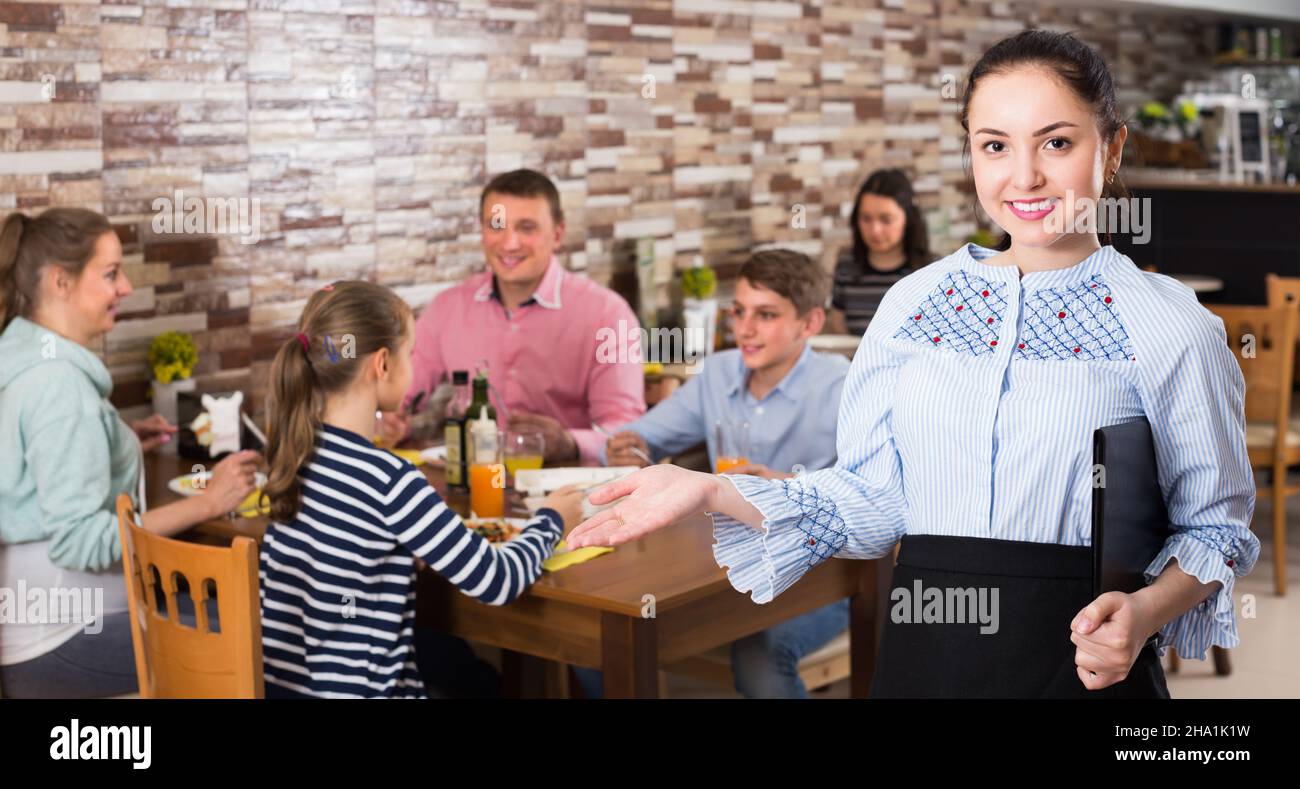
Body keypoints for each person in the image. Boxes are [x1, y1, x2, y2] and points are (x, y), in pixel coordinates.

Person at [566, 30, 1258, 698]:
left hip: (1085, 661)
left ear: (1111, 149)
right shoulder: (912, 306)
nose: (1025, 175)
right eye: (994, 145)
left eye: (1057, 141)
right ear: (971, 154)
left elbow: (1215, 532)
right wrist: (709, 490)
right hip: (926, 650)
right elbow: (869, 498)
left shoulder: (1173, 326)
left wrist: (1143, 614)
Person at [258, 280, 584, 698]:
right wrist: (553, 519)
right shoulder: (389, 478)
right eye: (409, 353)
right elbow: (497, 579)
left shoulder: (294, 456)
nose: (413, 365)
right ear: (382, 365)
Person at [0, 208, 259, 698]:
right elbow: (80, 543)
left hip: (33, 629)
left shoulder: (24, 362)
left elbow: (32, 468)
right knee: (259, 644)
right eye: (111, 273)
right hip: (64, 637)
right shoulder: (57, 386)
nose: (127, 288)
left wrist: (110, 437)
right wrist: (210, 500)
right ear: (60, 281)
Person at [589, 250, 850, 699]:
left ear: (809, 324)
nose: (744, 329)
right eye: (739, 312)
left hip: (825, 574)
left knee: (761, 659)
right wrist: (628, 447)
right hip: (718, 570)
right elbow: (643, 436)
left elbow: (875, 492)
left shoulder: (842, 386)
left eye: (765, 315)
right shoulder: (719, 373)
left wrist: (783, 486)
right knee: (597, 639)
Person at [380, 169, 645, 464]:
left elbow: (626, 435)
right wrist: (387, 418)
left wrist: (570, 443)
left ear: (557, 234)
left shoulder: (608, 315)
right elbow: (397, 394)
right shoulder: (447, 308)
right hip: (469, 487)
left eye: (527, 227)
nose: (509, 244)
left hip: (571, 490)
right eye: (497, 226)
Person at [826, 168, 932, 336]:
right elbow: (839, 329)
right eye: (866, 218)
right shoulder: (846, 267)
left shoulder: (932, 270)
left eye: (886, 220)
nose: (875, 230)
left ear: (908, 220)